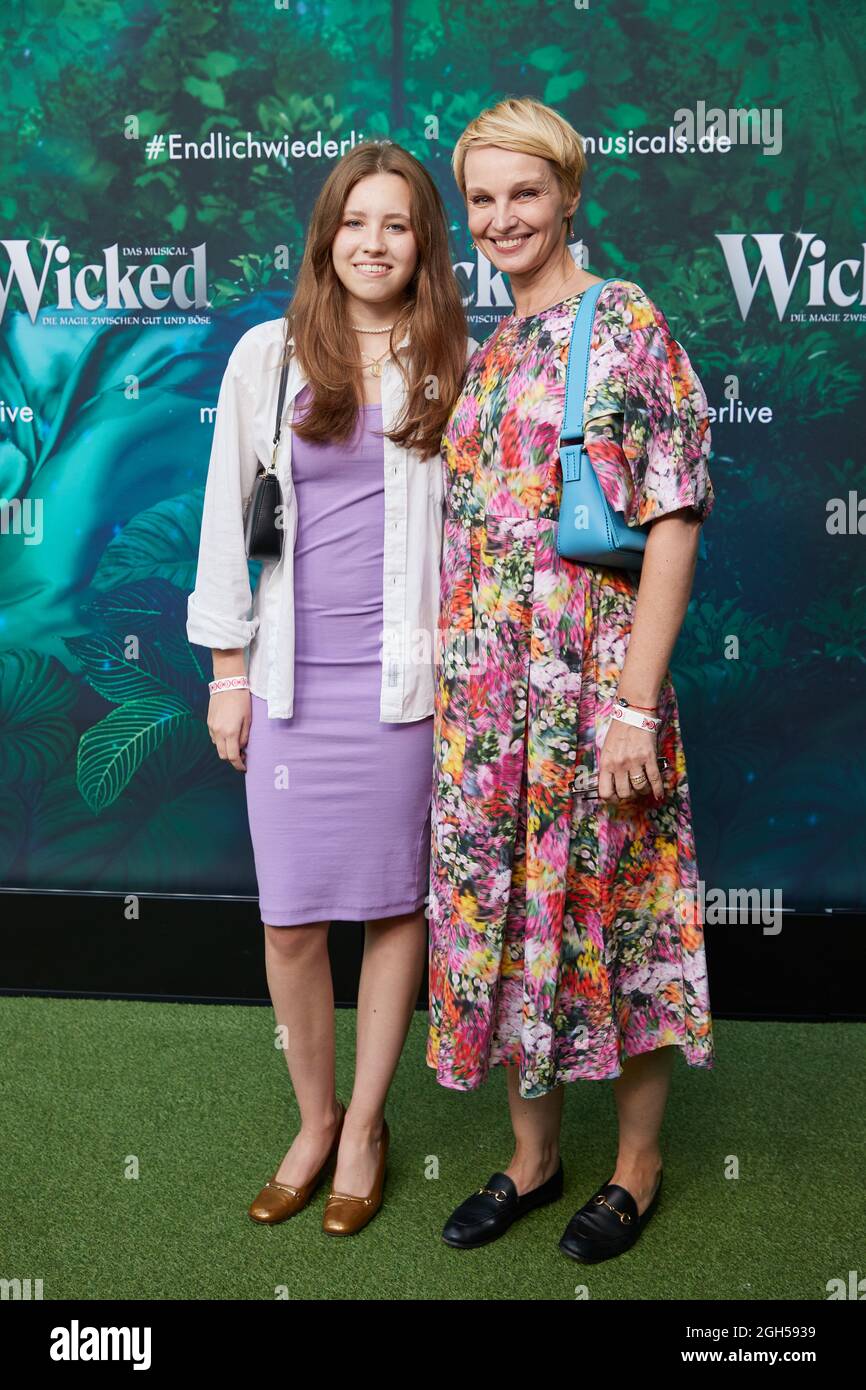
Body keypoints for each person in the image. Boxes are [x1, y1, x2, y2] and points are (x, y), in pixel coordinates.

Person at [427, 96, 717, 1262]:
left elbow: (674, 513)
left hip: (595, 691)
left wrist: (634, 703)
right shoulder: (482, 348)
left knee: (619, 911)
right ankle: (529, 1155)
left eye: (523, 194)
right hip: (484, 707)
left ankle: (634, 1165)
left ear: (567, 194)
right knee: (501, 921)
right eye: (483, 199)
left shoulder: (623, 317)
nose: (502, 218)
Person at [187, 140, 476, 1236]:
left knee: (395, 903)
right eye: (356, 221)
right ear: (327, 234)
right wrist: (225, 671)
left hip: (409, 682)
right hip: (290, 681)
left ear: (422, 244)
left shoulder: (452, 355)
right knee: (293, 921)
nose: (373, 242)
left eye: (396, 224)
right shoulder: (267, 355)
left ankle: (364, 1125)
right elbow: (229, 516)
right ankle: (311, 1117)